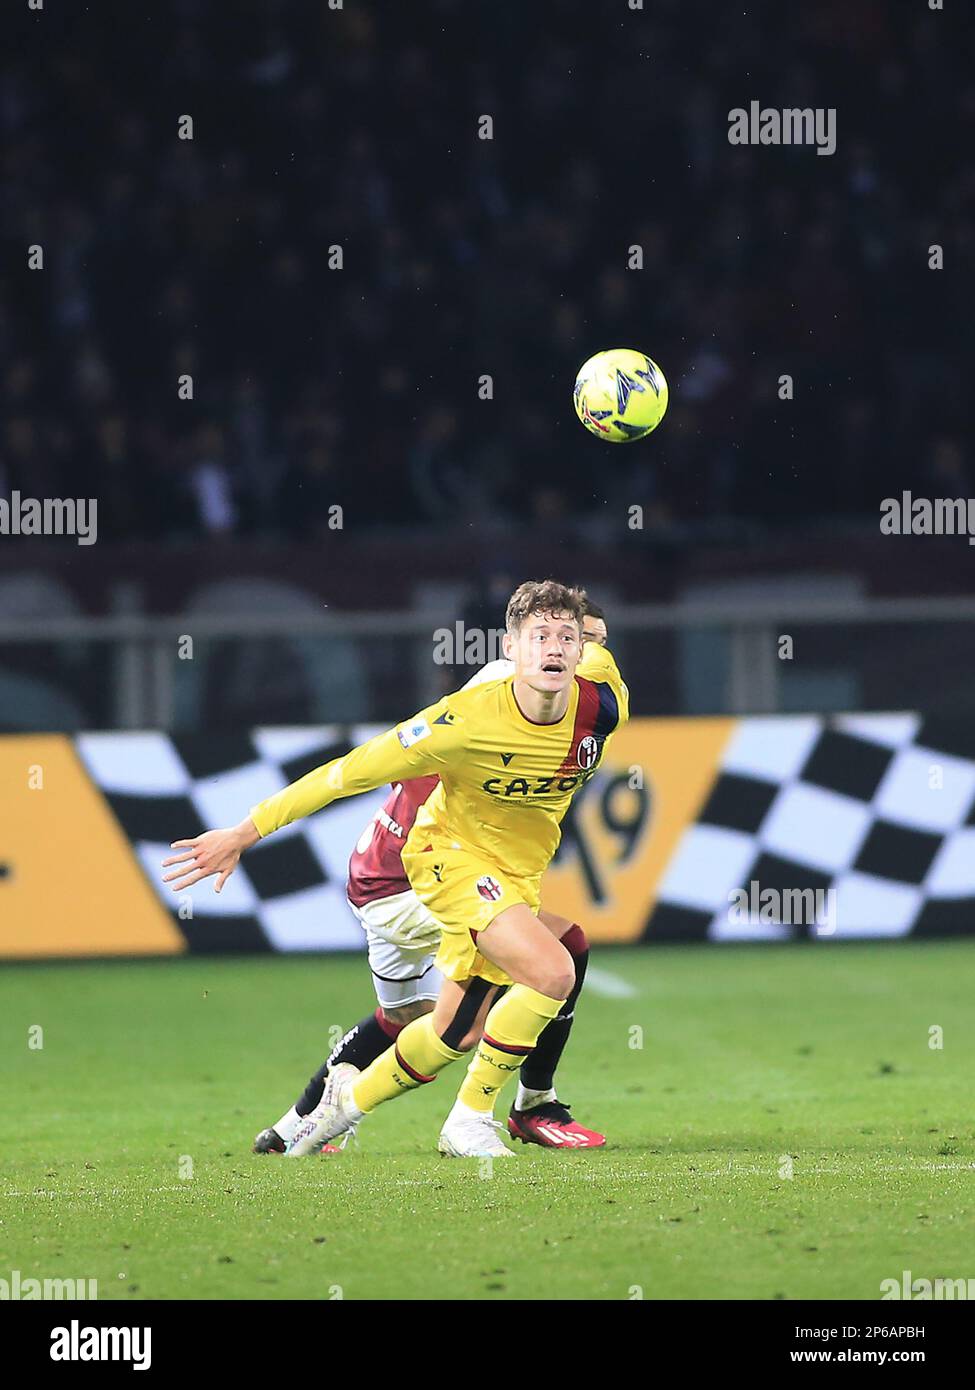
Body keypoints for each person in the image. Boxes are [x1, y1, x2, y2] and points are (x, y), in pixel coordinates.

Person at [163, 580, 628, 1157]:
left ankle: (321, 1117)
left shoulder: (603, 697)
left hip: (483, 875)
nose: (562, 648)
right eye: (543, 638)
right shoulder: (467, 718)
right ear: (510, 648)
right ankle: (488, 1114)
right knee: (548, 970)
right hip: (425, 871)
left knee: (434, 1028)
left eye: (575, 638)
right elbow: (347, 773)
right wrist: (244, 830)